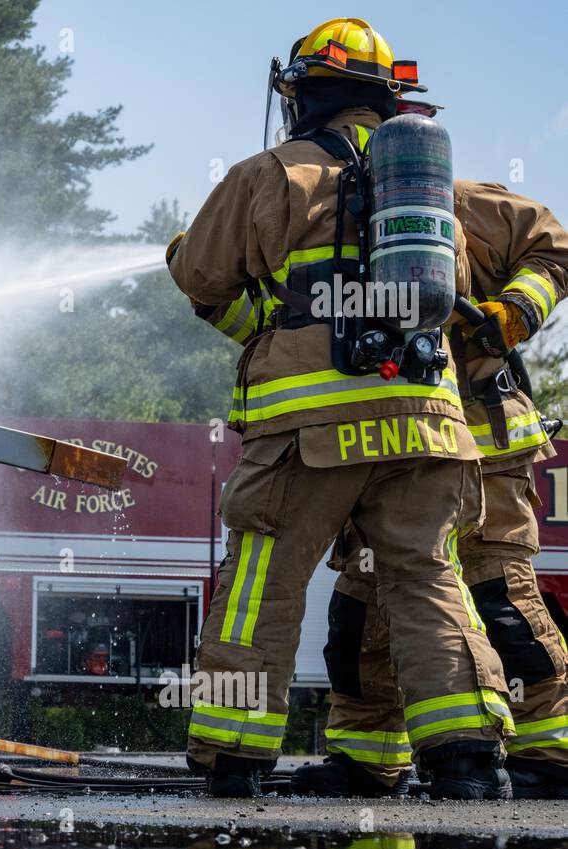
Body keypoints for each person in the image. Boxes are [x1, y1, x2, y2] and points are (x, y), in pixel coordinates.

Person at [166, 17, 513, 798]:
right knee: (429, 575)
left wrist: (261, 322)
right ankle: (467, 760)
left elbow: (199, 275)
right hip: (428, 421)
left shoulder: (272, 173)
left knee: (262, 575)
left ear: (303, 97)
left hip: (312, 431)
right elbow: (450, 296)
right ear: (388, 102)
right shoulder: (425, 200)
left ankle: (233, 753)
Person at [295, 178, 568, 799]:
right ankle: (366, 759)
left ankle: (547, 753)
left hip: (483, 443)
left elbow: (554, 248)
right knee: (361, 613)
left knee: (496, 595)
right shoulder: (320, 214)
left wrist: (516, 310)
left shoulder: (455, 200)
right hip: (387, 449)